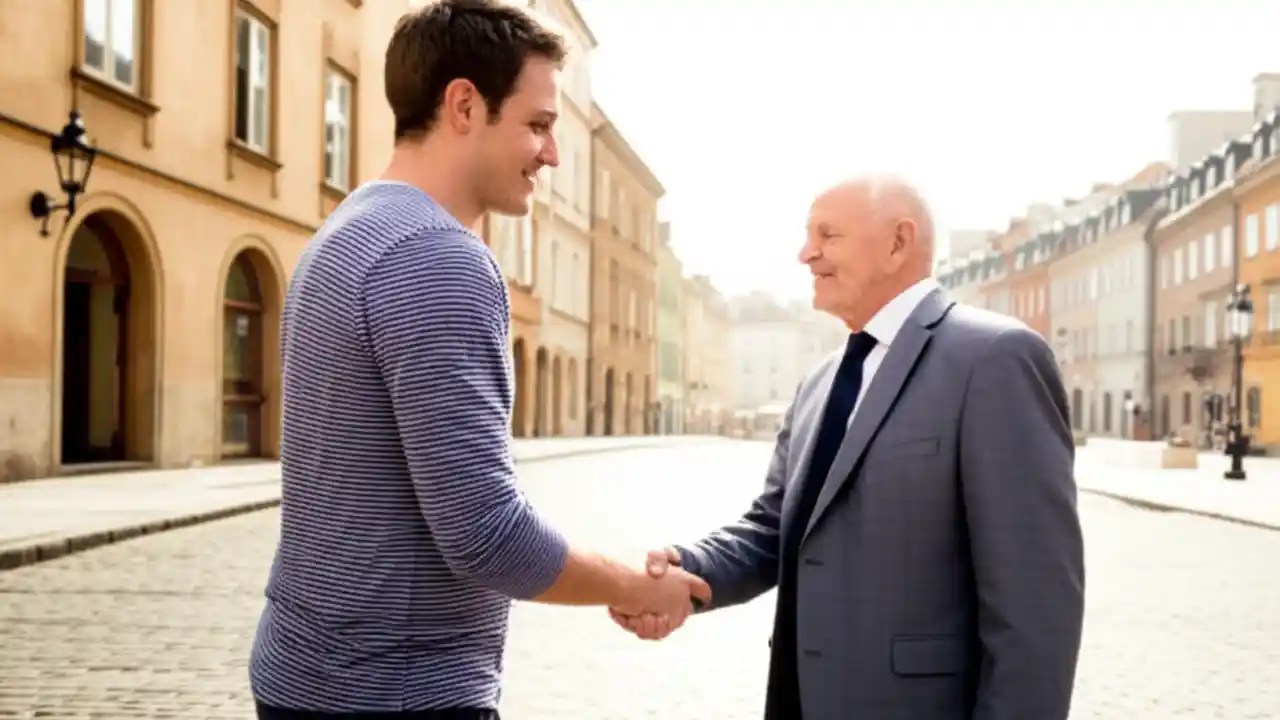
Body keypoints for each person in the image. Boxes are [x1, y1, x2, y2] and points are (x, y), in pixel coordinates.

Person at [248, 2, 708, 718]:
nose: (551, 155)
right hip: (396, 692)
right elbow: (488, 537)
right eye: (538, 124)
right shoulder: (439, 260)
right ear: (464, 105)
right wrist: (636, 584)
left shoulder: (343, 231)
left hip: (301, 675)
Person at [613, 176, 1085, 719]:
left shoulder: (995, 358)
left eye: (827, 235)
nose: (805, 253)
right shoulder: (819, 381)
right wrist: (687, 573)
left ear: (898, 242)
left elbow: (1036, 610)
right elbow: (774, 528)